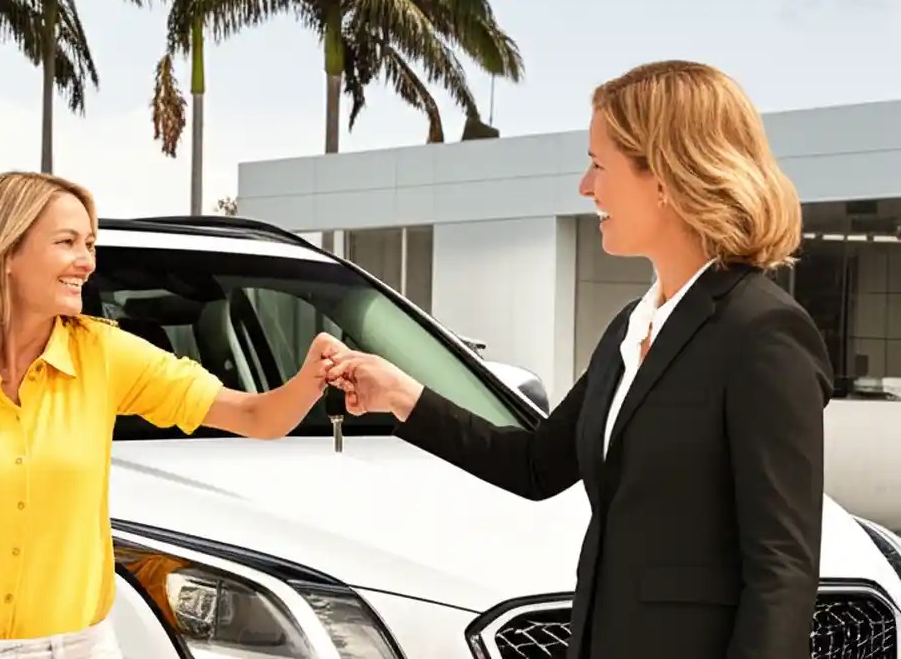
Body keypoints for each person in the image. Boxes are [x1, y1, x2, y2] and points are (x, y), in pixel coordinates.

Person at [327, 60, 832, 659]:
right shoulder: (633, 328)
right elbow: (537, 464)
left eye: (599, 164)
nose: (585, 187)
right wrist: (400, 395)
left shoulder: (763, 333)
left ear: (667, 177)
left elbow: (781, 574)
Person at [0, 171, 344, 659]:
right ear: (7, 252)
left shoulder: (103, 355)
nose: (85, 262)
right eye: (67, 242)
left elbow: (255, 416)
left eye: (89, 244)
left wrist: (312, 378)